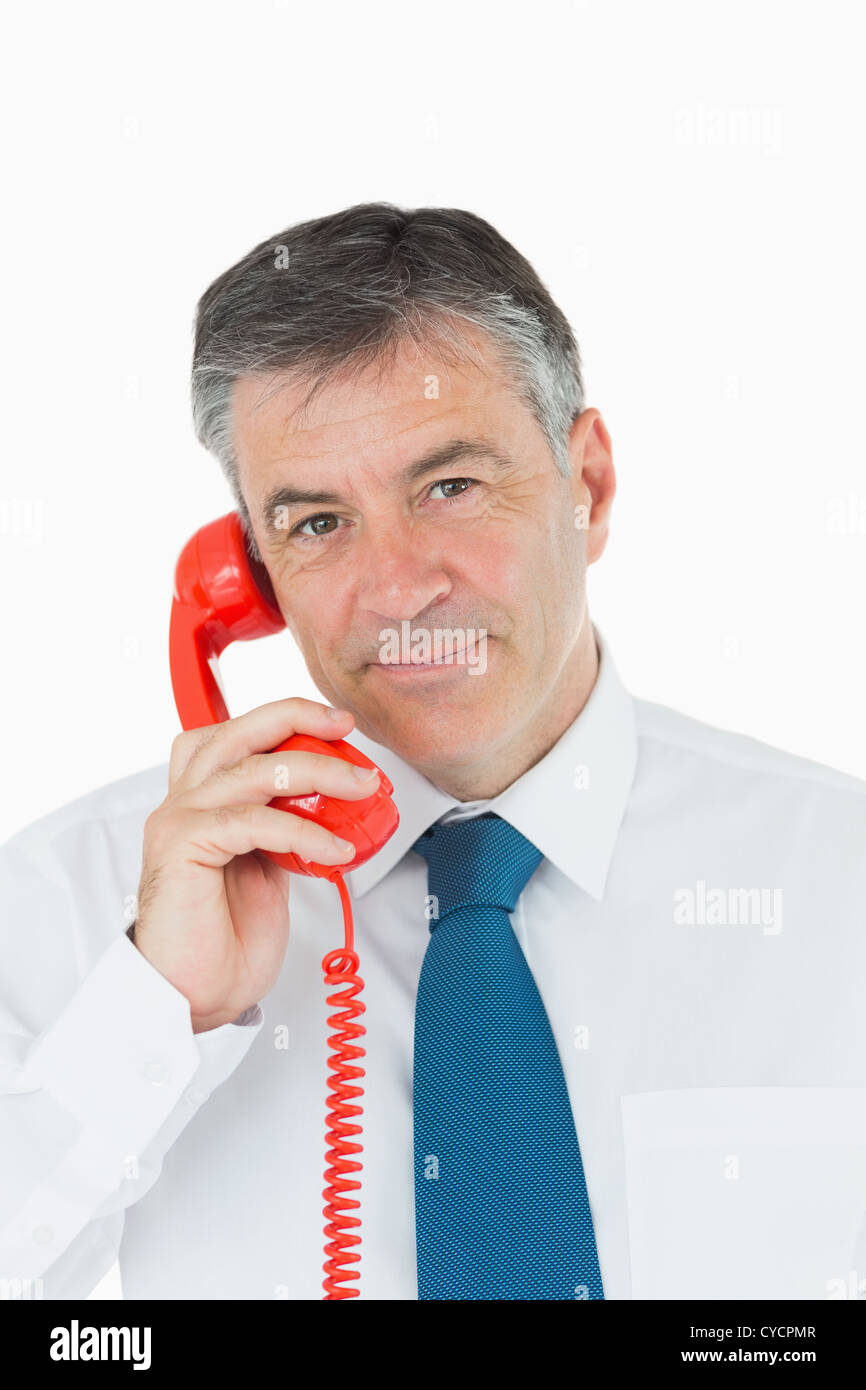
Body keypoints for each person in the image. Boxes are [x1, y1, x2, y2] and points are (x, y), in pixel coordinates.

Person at [2, 203, 865, 1302]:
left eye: (448, 487)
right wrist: (157, 1009)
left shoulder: (838, 879)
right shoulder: (69, 902)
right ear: (252, 576)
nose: (400, 588)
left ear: (586, 486)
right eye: (317, 522)